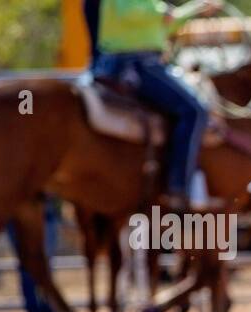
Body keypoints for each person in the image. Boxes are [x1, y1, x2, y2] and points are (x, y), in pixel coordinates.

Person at [83, 0, 224, 211]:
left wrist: (196, 9)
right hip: (133, 64)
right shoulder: (149, 5)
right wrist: (161, 11)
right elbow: (130, 12)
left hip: (140, 62)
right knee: (194, 111)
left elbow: (166, 23)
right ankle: (178, 188)